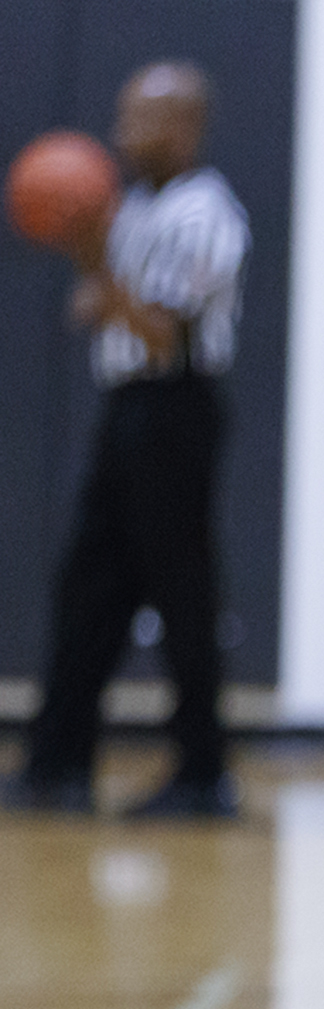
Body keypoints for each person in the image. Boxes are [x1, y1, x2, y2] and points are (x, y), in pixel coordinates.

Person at [0, 60, 249, 818]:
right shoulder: (138, 208)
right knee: (88, 588)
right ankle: (56, 765)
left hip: (174, 407)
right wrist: (90, 251)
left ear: (181, 127)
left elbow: (156, 331)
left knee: (182, 592)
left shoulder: (205, 215)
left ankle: (203, 775)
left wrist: (94, 256)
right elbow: (97, 307)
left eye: (138, 119)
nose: (120, 133)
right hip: (127, 408)